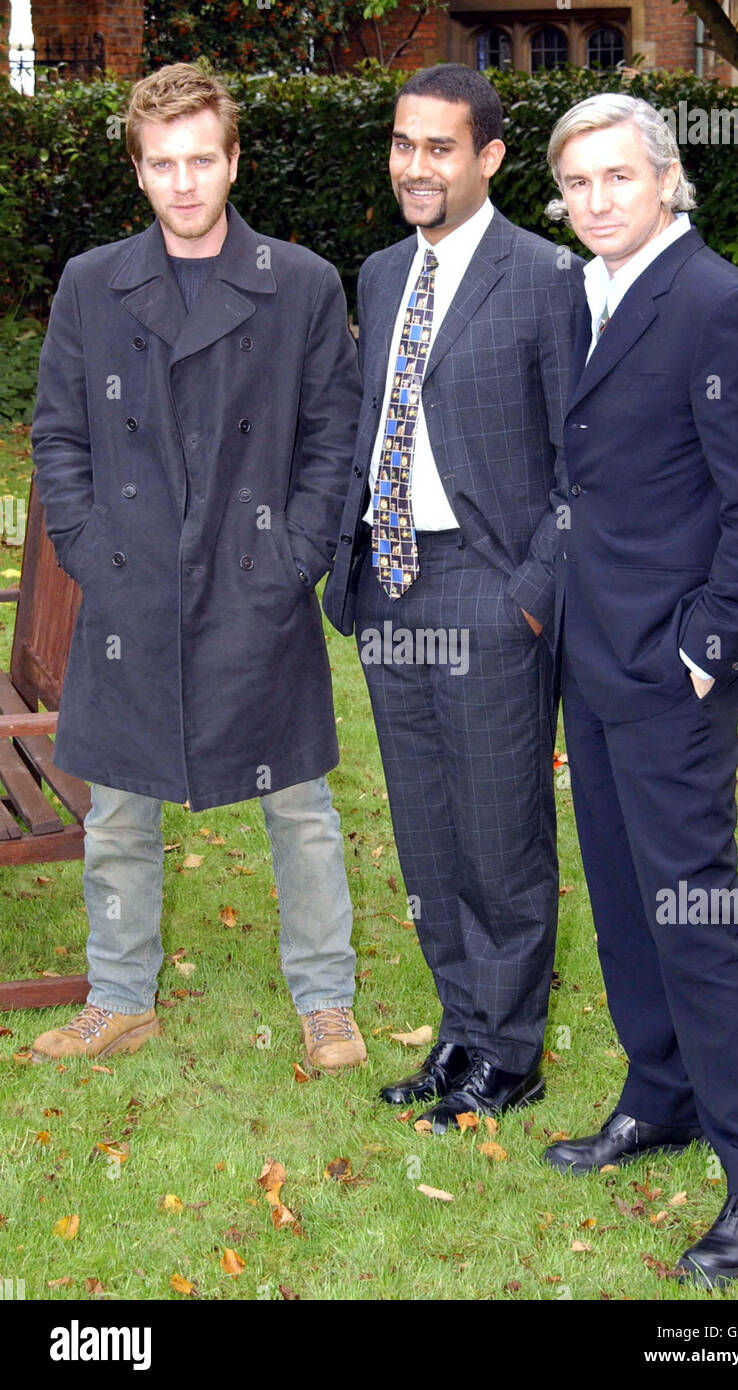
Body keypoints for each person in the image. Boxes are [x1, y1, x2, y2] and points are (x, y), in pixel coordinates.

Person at [30, 63, 366, 1075]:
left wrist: (293, 555)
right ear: (138, 170)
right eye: (163, 163)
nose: (184, 182)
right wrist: (93, 549)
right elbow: (58, 436)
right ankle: (121, 996)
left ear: (233, 161)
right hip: (131, 585)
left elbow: (331, 441)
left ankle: (326, 999)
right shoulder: (91, 283)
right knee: (119, 809)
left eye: (202, 161)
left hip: (251, 580)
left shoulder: (300, 284)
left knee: (299, 804)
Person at [538, 93, 738, 1285]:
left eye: (616, 179)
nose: (596, 201)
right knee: (622, 900)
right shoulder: (585, 295)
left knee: (697, 915)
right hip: (590, 662)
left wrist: (704, 645)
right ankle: (662, 1097)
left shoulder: (715, 303)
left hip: (670, 672)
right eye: (577, 183)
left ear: (666, 181)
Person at [324, 64, 581, 1133]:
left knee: (498, 832)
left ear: (488, 159)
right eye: (400, 143)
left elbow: (586, 462)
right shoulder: (381, 273)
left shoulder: (545, 276)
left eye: (438, 147)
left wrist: (528, 592)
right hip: (391, 584)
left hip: (488, 585)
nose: (414, 166)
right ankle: (462, 1029)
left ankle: (510, 1055)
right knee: (429, 834)